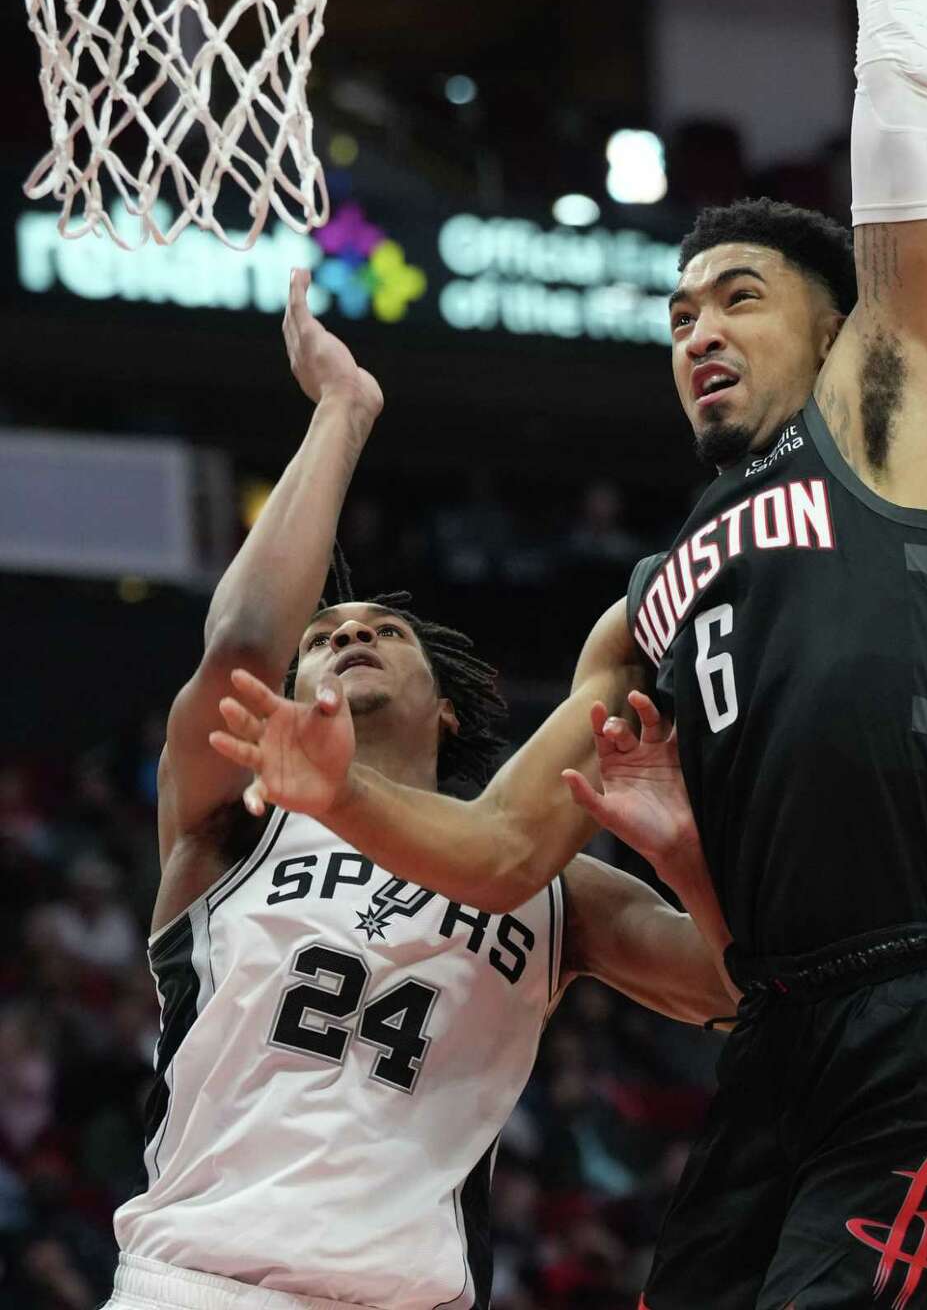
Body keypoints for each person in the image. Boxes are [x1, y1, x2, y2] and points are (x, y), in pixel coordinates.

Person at [212, 0, 927, 1308]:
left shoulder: (887, 407)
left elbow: (904, 95)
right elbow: (490, 849)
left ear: (834, 329)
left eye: (736, 296)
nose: (695, 329)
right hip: (792, 1030)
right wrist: (335, 792)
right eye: (677, 309)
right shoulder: (641, 614)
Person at [103, 270, 733, 1310]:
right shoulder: (239, 822)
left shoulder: (551, 879)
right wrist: (342, 412)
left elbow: (728, 986)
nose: (351, 633)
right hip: (201, 1280)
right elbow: (241, 642)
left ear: (446, 708)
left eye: (385, 632)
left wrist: (683, 860)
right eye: (328, 638)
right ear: (294, 692)